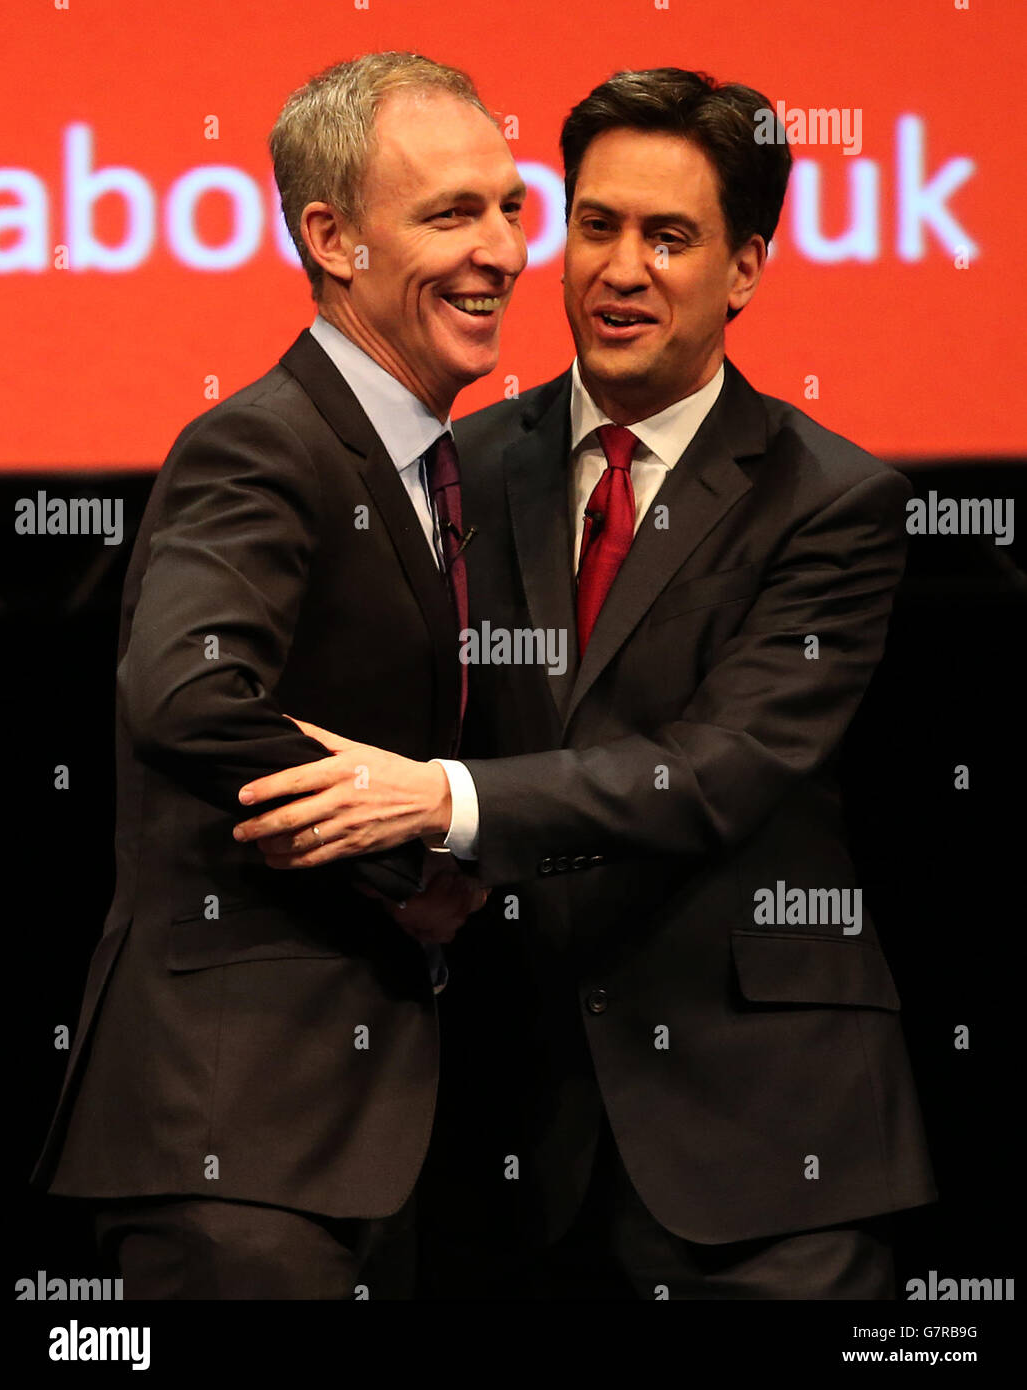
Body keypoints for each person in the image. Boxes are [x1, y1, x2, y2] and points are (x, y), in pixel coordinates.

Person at [231, 68, 937, 1299]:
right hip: (499, 1137)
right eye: (595, 224)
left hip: (764, 1153)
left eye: (669, 237)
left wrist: (441, 806)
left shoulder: (831, 503)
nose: (620, 269)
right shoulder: (459, 463)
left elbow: (717, 772)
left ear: (746, 269)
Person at [30, 50, 525, 1299]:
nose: (504, 251)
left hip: (349, 1144)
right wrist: (405, 850)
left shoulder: (427, 464)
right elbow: (188, 695)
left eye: (511, 206)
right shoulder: (262, 439)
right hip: (233, 1141)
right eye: (450, 214)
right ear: (333, 238)